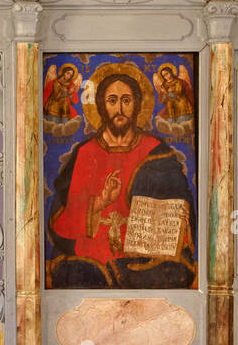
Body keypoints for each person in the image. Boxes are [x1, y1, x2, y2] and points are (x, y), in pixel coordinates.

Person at [47, 71, 195, 288]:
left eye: (126, 100)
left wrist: (182, 220)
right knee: (81, 276)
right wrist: (100, 202)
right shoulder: (85, 153)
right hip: (90, 257)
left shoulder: (156, 152)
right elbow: (61, 218)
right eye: (112, 100)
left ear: (136, 105)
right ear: (100, 106)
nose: (119, 109)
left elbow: (180, 205)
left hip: (144, 260)